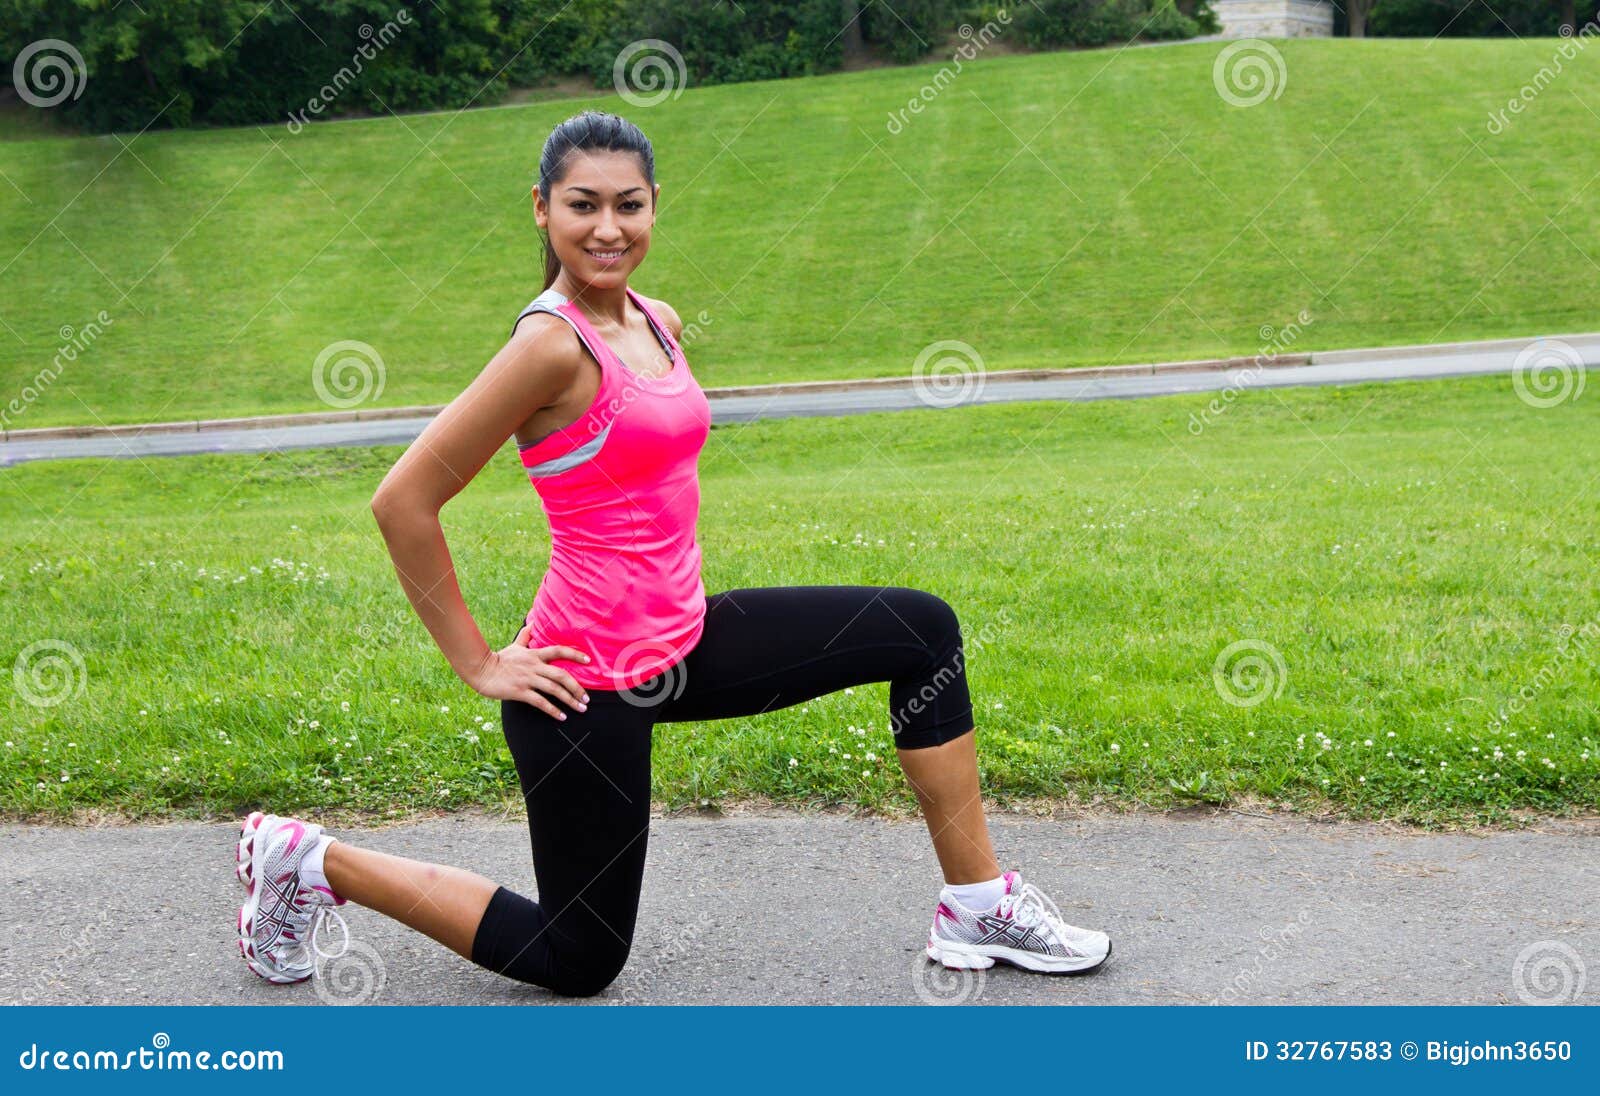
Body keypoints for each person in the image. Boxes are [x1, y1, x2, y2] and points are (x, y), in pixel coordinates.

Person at [232, 110, 1111, 996]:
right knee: (579, 961)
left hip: (684, 643)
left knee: (921, 633)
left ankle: (977, 902)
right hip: (587, 684)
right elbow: (403, 502)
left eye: (629, 205)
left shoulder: (656, 319)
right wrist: (479, 661)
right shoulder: (546, 347)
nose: (608, 228)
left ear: (655, 208)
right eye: (583, 205)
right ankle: (309, 860)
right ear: (541, 210)